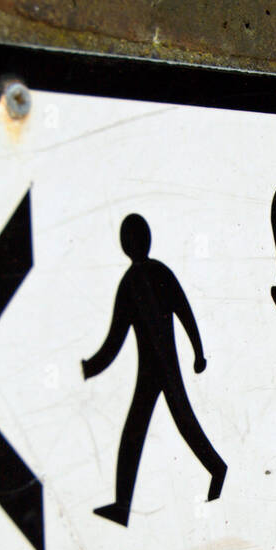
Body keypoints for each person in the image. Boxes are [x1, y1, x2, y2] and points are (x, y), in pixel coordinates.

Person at [82, 214, 227, 526]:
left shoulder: (147, 277)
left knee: (184, 424)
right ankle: (122, 505)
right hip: (153, 370)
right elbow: (116, 337)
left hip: (163, 367)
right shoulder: (135, 281)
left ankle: (217, 469)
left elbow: (183, 312)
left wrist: (199, 353)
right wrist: (88, 368)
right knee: (141, 428)